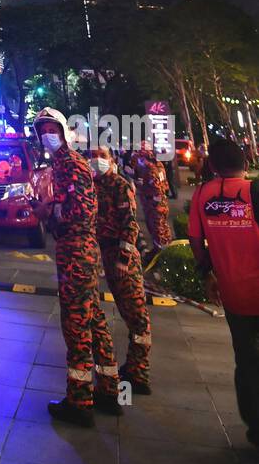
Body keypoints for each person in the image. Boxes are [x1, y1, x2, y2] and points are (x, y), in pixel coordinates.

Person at [32, 108, 121, 427]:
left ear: (63, 131)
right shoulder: (59, 165)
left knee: (76, 323)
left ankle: (80, 401)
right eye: (41, 130)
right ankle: (110, 390)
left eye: (50, 128)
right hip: (79, 250)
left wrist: (48, 212)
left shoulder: (70, 164)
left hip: (76, 250)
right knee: (94, 318)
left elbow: (80, 211)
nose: (46, 135)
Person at [188, 138, 259, 448]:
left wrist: (207, 275)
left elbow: (194, 239)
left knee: (246, 361)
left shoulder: (202, 195)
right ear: (245, 162)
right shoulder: (254, 191)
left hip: (233, 295)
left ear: (213, 166)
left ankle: (256, 429)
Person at [88, 145, 152, 394]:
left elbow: (130, 224)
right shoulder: (91, 185)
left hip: (120, 256)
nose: (96, 160)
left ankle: (139, 372)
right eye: (92, 156)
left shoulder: (120, 185)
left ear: (112, 160)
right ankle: (128, 369)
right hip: (99, 253)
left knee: (137, 317)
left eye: (101, 156)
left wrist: (124, 258)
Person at [134, 139, 173, 254]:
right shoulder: (158, 164)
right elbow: (164, 186)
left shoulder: (150, 168)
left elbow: (155, 188)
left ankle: (161, 255)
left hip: (154, 204)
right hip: (161, 203)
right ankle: (165, 251)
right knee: (162, 228)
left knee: (158, 230)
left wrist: (140, 185)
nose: (139, 160)